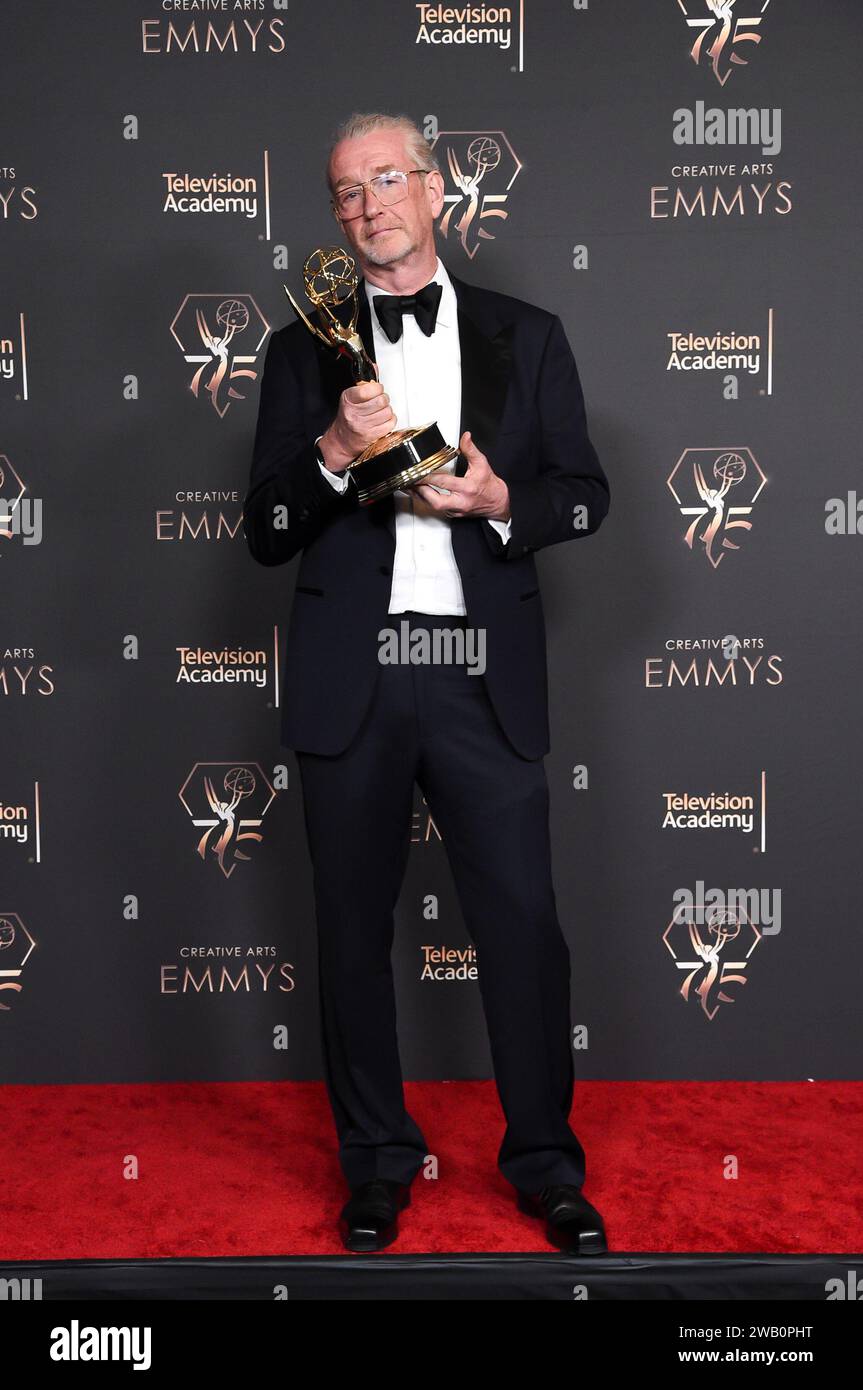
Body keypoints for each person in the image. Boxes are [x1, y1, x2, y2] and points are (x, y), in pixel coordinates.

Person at [243, 111, 611, 1254]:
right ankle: (375, 1165)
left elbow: (586, 493)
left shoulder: (527, 335)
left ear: (435, 189)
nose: (367, 206)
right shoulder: (300, 346)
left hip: (476, 676)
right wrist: (331, 458)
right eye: (345, 192)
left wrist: (503, 503)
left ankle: (545, 1165)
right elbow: (263, 531)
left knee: (521, 928)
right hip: (354, 676)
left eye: (386, 180)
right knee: (351, 932)